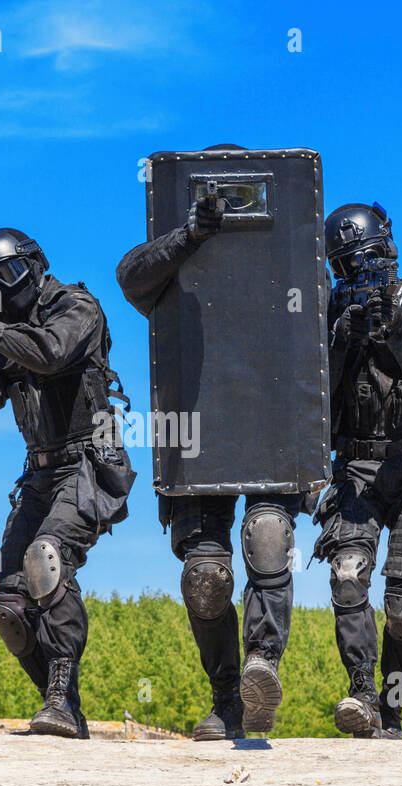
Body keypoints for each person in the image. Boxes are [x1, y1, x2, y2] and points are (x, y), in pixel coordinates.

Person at [116, 169, 305, 739]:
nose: (231, 208)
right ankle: (228, 700)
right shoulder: (171, 264)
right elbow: (129, 277)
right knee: (205, 577)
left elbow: (319, 339)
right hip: (194, 435)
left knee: (269, 538)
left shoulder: (290, 260)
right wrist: (190, 235)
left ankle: (261, 666)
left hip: (272, 423)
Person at [0, 228, 135, 739]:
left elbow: (50, 353)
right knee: (9, 606)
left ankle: (61, 701)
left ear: (36, 266)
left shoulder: (77, 308)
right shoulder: (4, 325)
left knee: (46, 560)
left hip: (88, 462)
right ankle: (62, 703)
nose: (2, 285)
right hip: (41, 470)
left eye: (7, 273)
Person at [312, 203, 402, 739]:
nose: (360, 274)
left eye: (367, 260)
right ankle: (362, 696)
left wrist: (394, 327)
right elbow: (313, 400)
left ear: (388, 251)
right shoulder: (327, 315)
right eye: (347, 266)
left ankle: (392, 713)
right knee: (347, 578)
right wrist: (340, 342)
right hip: (356, 465)